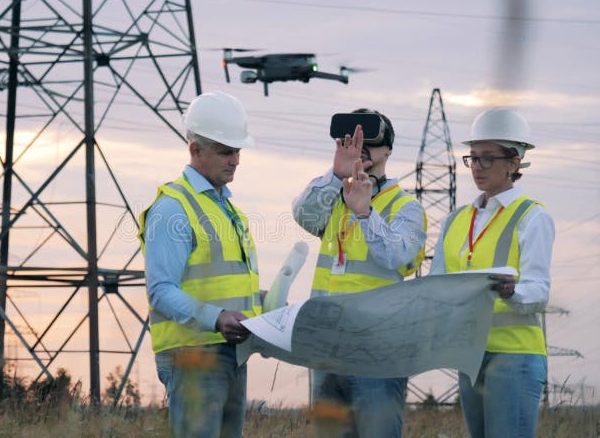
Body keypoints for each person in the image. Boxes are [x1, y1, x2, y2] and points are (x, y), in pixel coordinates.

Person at [292, 108, 427, 437]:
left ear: (389, 150)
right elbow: (302, 213)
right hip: (328, 348)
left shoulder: (405, 207)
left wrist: (366, 214)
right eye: (353, 141)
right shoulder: (336, 199)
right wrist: (335, 175)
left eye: (371, 142)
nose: (361, 147)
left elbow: (398, 256)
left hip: (377, 352)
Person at [138, 91, 263, 438]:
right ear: (195, 150)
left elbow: (230, 284)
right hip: (193, 356)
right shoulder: (173, 209)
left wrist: (267, 309)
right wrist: (217, 318)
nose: (235, 160)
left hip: (232, 353)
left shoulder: (228, 210)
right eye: (226, 151)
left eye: (238, 151)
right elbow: (161, 292)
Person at [430, 107, 555, 438]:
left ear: (514, 163)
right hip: (470, 356)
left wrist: (513, 291)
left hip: (514, 356)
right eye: (473, 158)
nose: (478, 167)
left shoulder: (532, 217)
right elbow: (437, 287)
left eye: (488, 158)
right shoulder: (455, 221)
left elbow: (539, 291)